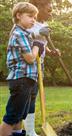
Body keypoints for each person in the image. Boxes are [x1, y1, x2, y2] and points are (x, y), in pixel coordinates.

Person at [0, 2, 44, 136]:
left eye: (35, 17)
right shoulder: (19, 34)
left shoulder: (24, 33)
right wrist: (37, 44)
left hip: (26, 79)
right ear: (18, 15)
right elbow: (30, 58)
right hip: (21, 79)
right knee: (11, 118)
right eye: (30, 16)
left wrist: (37, 44)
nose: (33, 20)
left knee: (19, 116)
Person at [23, 1, 60, 136]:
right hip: (28, 64)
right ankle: (26, 130)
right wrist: (38, 32)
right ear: (38, 7)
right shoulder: (27, 23)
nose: (51, 8)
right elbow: (22, 39)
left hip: (40, 63)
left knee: (33, 96)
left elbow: (42, 44)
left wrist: (51, 52)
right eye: (48, 6)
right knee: (26, 97)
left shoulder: (44, 24)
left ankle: (30, 131)